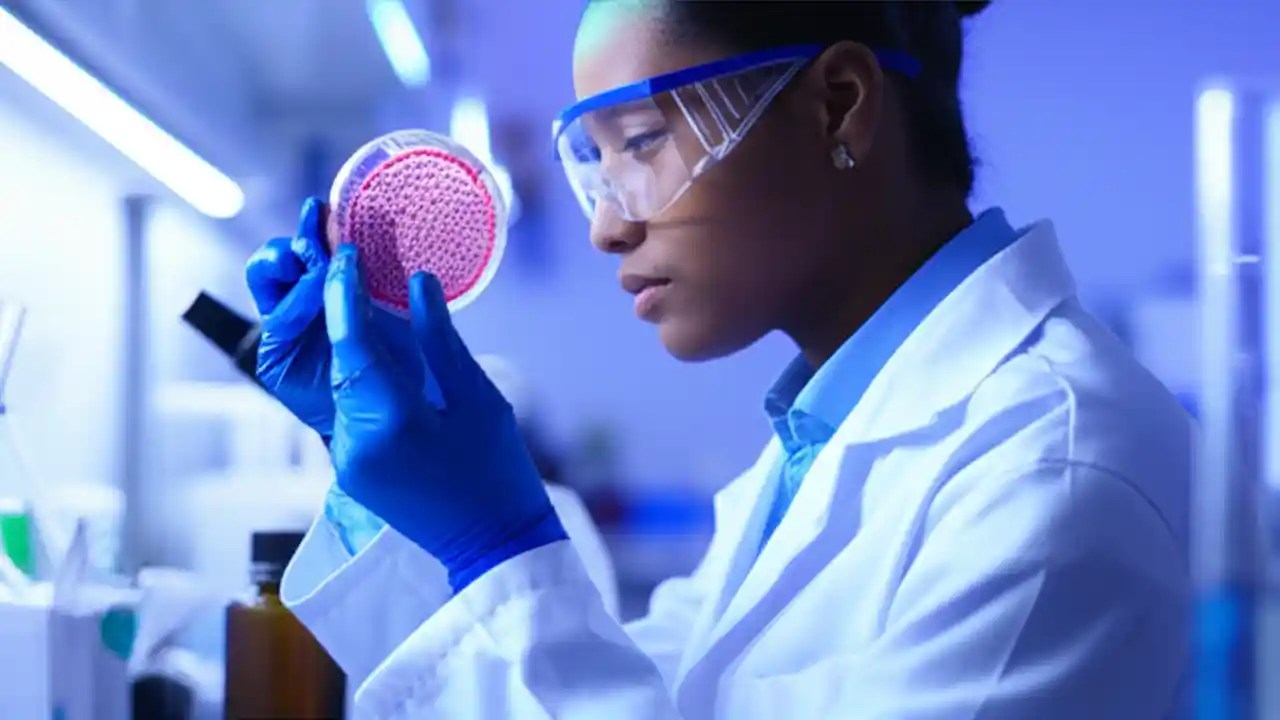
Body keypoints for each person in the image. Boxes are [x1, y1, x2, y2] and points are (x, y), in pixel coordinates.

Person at [247, 1, 1194, 717]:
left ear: (838, 106)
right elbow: (643, 690)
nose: (608, 226)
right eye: (593, 165)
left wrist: (496, 546)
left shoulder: (1053, 474)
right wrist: (410, 505)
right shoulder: (822, 439)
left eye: (642, 144)